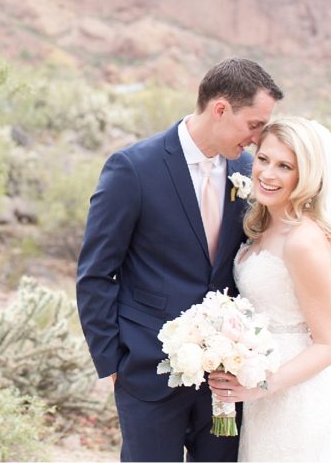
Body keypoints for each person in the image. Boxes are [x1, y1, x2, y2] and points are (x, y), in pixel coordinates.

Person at [77, 58, 283, 462]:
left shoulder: (247, 172)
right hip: (147, 370)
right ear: (221, 109)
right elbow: (96, 272)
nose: (258, 140)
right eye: (254, 125)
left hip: (226, 378)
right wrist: (114, 361)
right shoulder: (133, 168)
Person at [208, 117, 331, 461]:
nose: (267, 174)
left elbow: (330, 344)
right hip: (263, 393)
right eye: (263, 159)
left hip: (298, 399)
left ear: (305, 175)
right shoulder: (263, 225)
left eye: (285, 166)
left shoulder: (302, 241)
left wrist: (261, 385)